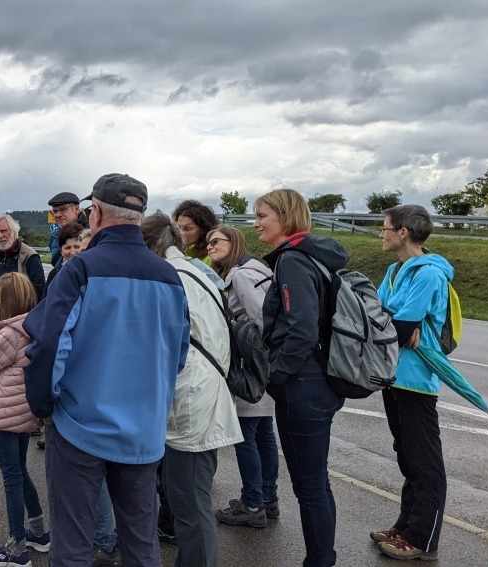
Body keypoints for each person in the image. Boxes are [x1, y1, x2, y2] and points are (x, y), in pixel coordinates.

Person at [24, 173, 190, 566]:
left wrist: (44, 405)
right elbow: (178, 355)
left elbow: (48, 345)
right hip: (144, 435)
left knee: (73, 542)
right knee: (140, 540)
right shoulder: (170, 276)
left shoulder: (80, 269)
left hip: (81, 428)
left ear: (95, 213)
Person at [140, 212, 243, 567]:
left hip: (192, 401)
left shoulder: (170, 277)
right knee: (185, 499)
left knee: (190, 505)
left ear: (152, 246)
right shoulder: (193, 273)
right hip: (198, 395)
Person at [256, 188, 348, 567]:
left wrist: (274, 376)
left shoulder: (292, 260)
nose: (257, 222)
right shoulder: (312, 255)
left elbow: (302, 331)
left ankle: (320, 561)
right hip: (320, 379)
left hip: (303, 385)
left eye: (263, 215)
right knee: (315, 483)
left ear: (285, 217)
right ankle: (322, 558)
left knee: (310, 486)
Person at [373, 205, 452, 561]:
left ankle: (423, 540)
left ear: (403, 231)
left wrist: (394, 324)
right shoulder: (394, 270)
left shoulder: (430, 275)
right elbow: (373, 320)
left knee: (424, 462)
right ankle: (406, 526)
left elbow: (398, 328)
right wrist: (394, 324)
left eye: (385, 228)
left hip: (416, 379)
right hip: (392, 374)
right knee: (407, 456)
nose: (382, 233)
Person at [0, 273, 51, 567]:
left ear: (8, 302)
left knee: (11, 479)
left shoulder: (10, 333)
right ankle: (39, 533)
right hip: (27, 411)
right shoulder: (35, 324)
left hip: (7, 413)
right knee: (21, 473)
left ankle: (17, 550)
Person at [207, 226, 281, 528]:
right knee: (264, 433)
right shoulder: (258, 269)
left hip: (250, 364)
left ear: (233, 242)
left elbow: (259, 320)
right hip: (266, 364)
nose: (210, 246)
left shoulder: (240, 275)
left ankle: (252, 503)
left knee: (246, 436)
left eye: (216, 241)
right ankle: (267, 498)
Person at [0, 213, 46, 303]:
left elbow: (39, 291)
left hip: (19, 312)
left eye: (3, 231)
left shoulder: (29, 256)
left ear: (14, 232)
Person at [47, 192, 88, 267]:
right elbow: (56, 264)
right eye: (55, 211)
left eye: (63, 209)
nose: (58, 215)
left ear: (76, 209)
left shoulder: (90, 233)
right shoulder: (55, 235)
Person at [172, 199, 219, 265]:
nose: (181, 233)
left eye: (187, 229)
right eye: (179, 228)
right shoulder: (177, 251)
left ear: (203, 229)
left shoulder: (212, 256)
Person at [44, 222, 84, 292]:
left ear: (84, 248)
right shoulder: (54, 275)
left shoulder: (91, 274)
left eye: (77, 247)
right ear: (61, 251)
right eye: (68, 248)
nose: (72, 252)